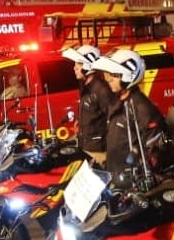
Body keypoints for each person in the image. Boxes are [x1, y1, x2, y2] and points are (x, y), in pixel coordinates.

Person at [90, 48, 166, 177]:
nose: (109, 80)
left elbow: (154, 150)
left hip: (131, 180)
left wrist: (139, 172)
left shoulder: (142, 108)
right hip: (114, 174)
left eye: (115, 75)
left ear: (128, 76)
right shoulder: (117, 101)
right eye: (109, 75)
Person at [62, 45, 115, 164]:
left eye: (78, 64)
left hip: (98, 151)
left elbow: (114, 119)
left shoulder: (101, 90)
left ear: (88, 65)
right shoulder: (85, 87)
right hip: (87, 148)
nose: (74, 68)